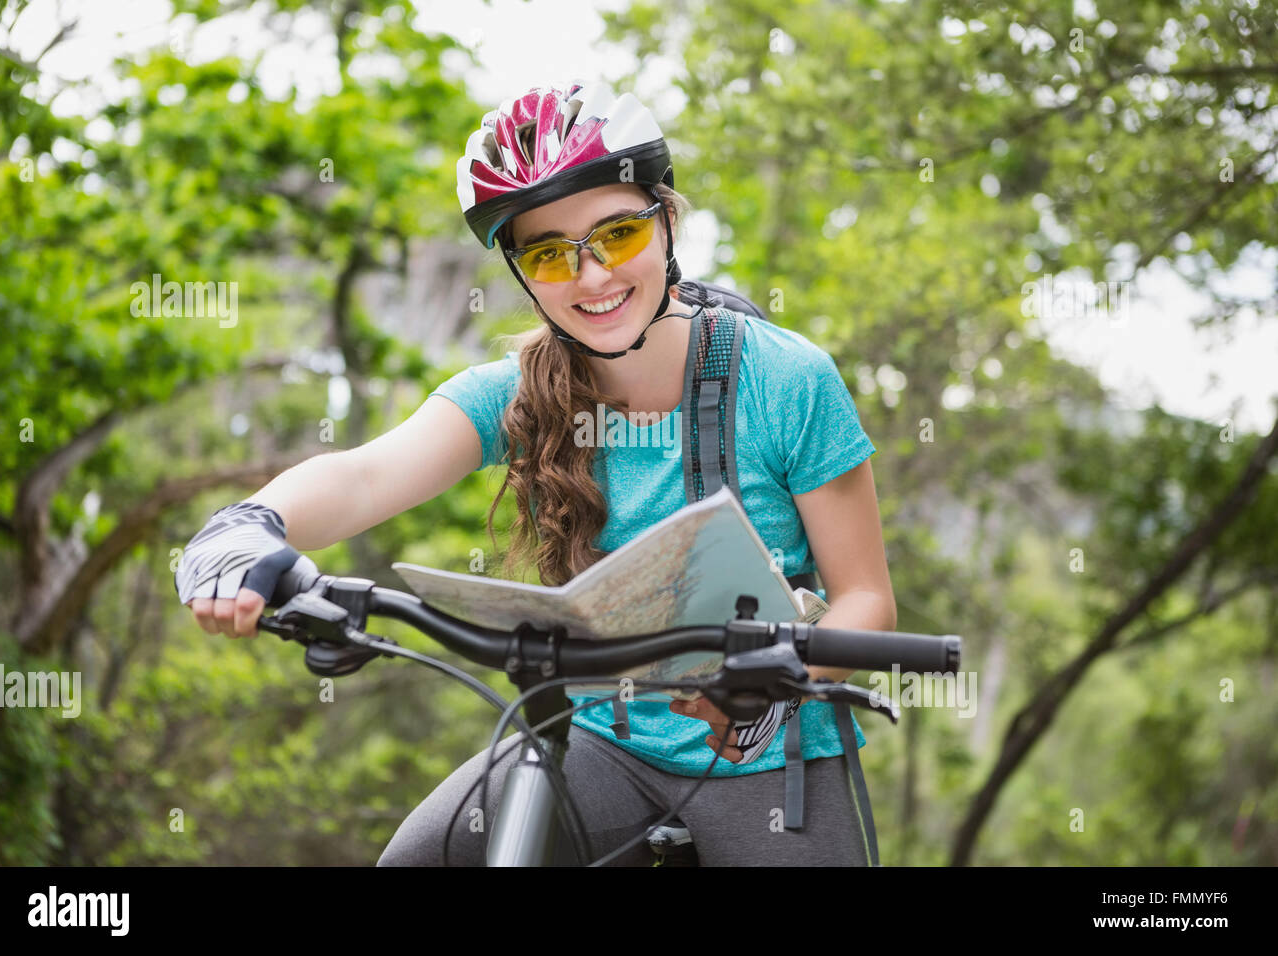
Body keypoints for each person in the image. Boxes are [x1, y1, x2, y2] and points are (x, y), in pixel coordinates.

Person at [174, 81, 896, 866]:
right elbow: (363, 476)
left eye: (615, 235)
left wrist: (782, 669)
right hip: (600, 745)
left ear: (667, 223)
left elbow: (867, 600)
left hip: (771, 757)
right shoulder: (516, 391)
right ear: (523, 272)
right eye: (550, 253)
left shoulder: (785, 380)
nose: (589, 276)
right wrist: (247, 525)